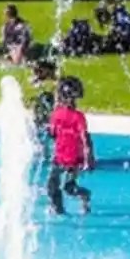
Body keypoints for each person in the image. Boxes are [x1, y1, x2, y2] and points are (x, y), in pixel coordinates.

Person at [47, 76, 95, 214]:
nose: (70, 102)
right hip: (59, 157)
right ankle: (58, 208)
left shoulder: (78, 117)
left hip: (74, 159)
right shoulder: (56, 114)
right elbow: (53, 132)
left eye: (72, 99)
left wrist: (88, 157)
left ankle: (84, 195)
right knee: (52, 185)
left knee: (68, 187)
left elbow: (85, 138)